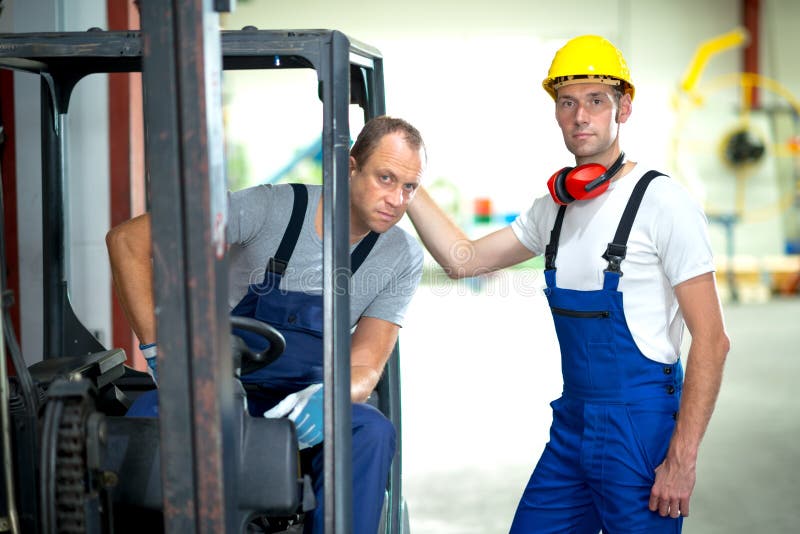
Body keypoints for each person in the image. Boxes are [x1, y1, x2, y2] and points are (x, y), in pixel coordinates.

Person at [406, 35, 730, 533]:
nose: (581, 115)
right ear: (556, 113)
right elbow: (462, 260)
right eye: (567, 102)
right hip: (573, 425)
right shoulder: (554, 209)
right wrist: (404, 182)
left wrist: (682, 460)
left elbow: (712, 340)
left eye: (596, 100)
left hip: (639, 429)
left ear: (623, 107)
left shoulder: (663, 203)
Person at [106, 115, 426, 534]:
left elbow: (365, 365)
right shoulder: (271, 208)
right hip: (218, 386)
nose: (396, 199)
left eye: (408, 187)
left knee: (371, 431)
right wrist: (159, 353)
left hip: (305, 399)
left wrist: (330, 397)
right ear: (350, 167)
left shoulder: (400, 255)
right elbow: (128, 241)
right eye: (385, 178)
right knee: (151, 420)